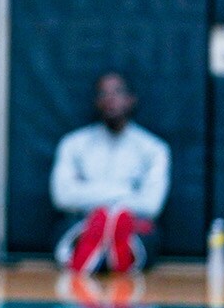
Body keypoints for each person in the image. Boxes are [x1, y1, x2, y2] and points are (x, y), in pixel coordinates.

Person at [51, 72, 170, 274]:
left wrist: (96, 198)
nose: (110, 99)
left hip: (131, 224)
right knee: (65, 231)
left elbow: (152, 205)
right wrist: (123, 194)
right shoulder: (73, 143)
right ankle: (94, 248)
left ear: (131, 99)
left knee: (147, 234)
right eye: (103, 94)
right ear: (96, 101)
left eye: (117, 92)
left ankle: (119, 254)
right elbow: (62, 197)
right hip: (84, 222)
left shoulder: (154, 148)